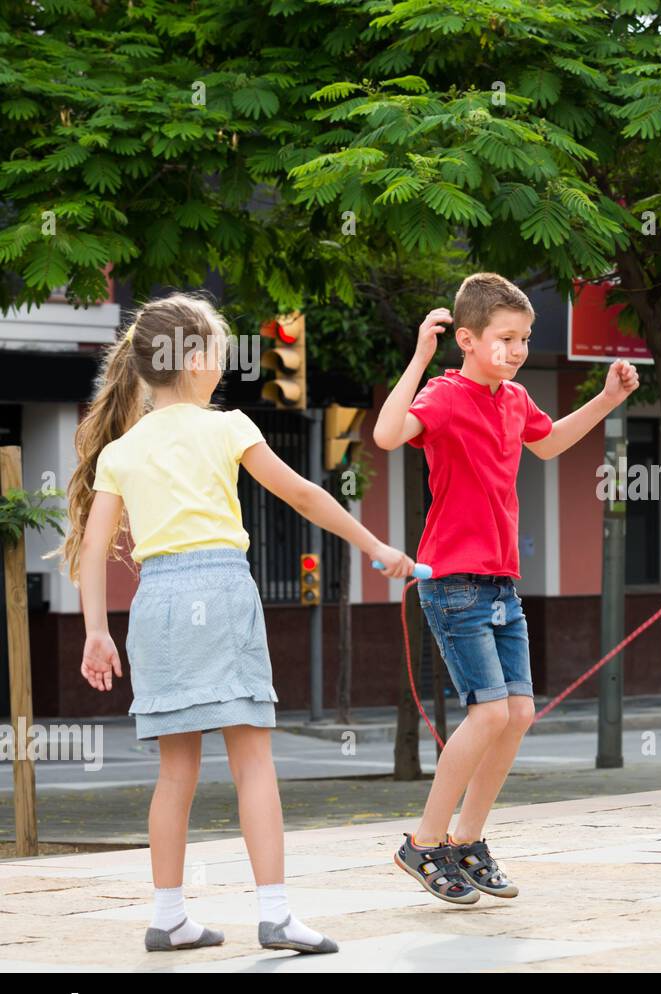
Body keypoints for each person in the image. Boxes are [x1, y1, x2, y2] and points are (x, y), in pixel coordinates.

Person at [60, 293, 415, 952]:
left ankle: (168, 915)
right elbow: (304, 494)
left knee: (176, 772)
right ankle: (276, 912)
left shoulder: (123, 450)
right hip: (221, 590)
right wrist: (375, 546)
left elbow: (90, 549)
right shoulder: (229, 428)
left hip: (156, 602)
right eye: (219, 354)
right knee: (252, 759)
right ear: (194, 361)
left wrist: (96, 631)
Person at [373, 272, 638, 903]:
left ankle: (468, 840)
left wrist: (605, 400)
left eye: (524, 339)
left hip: (500, 581)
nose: (516, 350)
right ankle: (423, 844)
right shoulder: (442, 394)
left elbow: (548, 447)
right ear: (467, 339)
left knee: (517, 713)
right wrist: (417, 359)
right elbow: (386, 436)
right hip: (452, 579)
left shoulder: (514, 400)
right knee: (488, 711)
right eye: (505, 338)